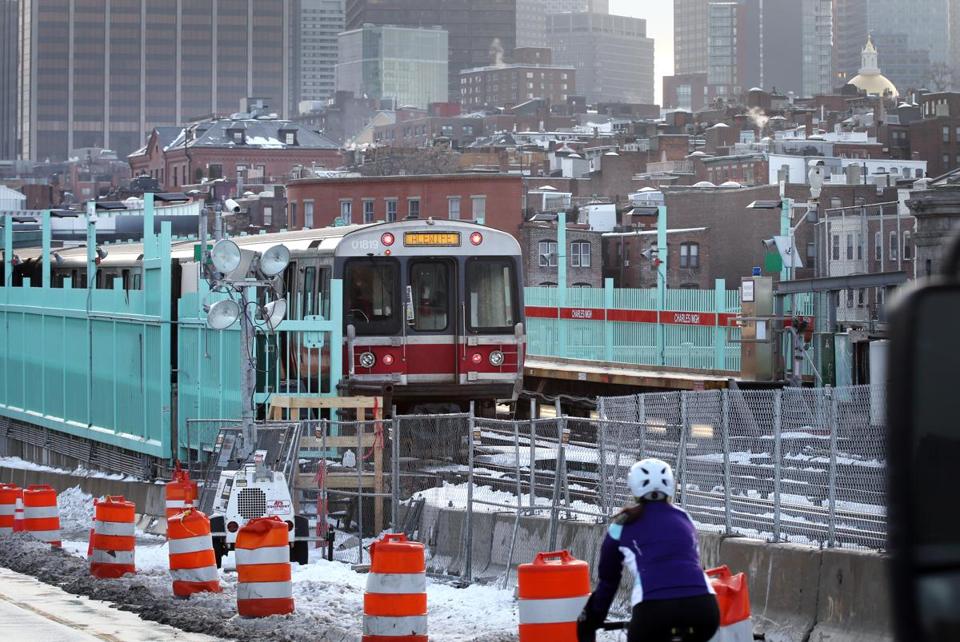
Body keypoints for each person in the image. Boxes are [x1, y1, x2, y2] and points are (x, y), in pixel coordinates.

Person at [577, 458, 720, 642]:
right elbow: (694, 561)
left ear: (633, 487)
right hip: (703, 608)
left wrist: (591, 621)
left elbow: (608, 581)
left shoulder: (622, 525)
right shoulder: (684, 518)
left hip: (654, 610)